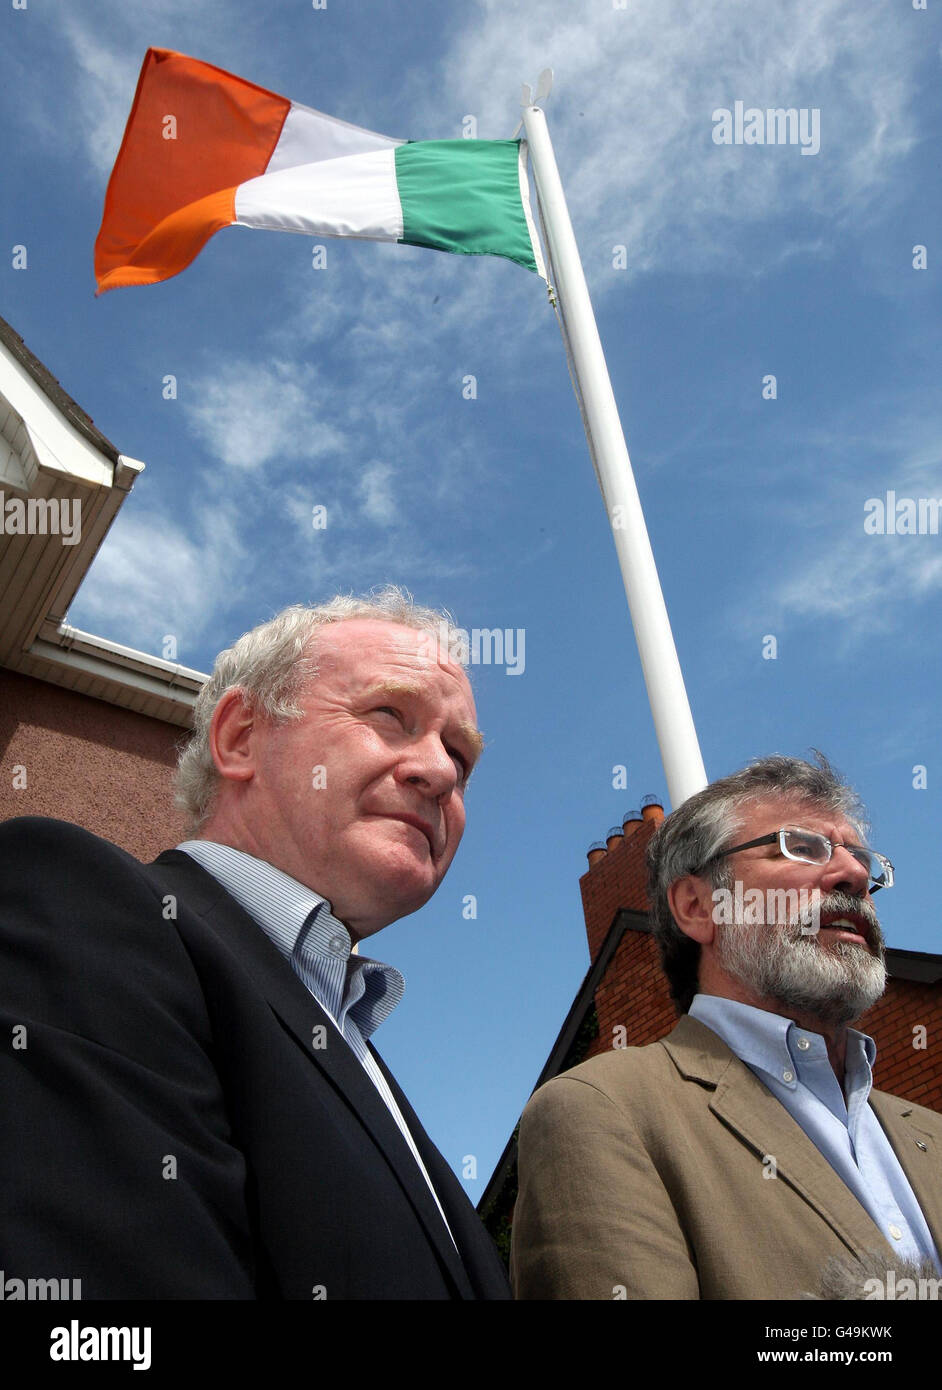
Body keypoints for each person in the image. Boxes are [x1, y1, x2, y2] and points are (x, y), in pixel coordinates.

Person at [0, 587, 509, 1299]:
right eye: (391, 715)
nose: (442, 771)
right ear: (240, 737)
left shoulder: (351, 1035)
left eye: (461, 753)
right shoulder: (80, 904)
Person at [510, 754, 942, 1300]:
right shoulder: (603, 1109)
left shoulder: (931, 1133)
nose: (854, 874)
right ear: (696, 906)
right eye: (800, 846)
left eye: (860, 858)